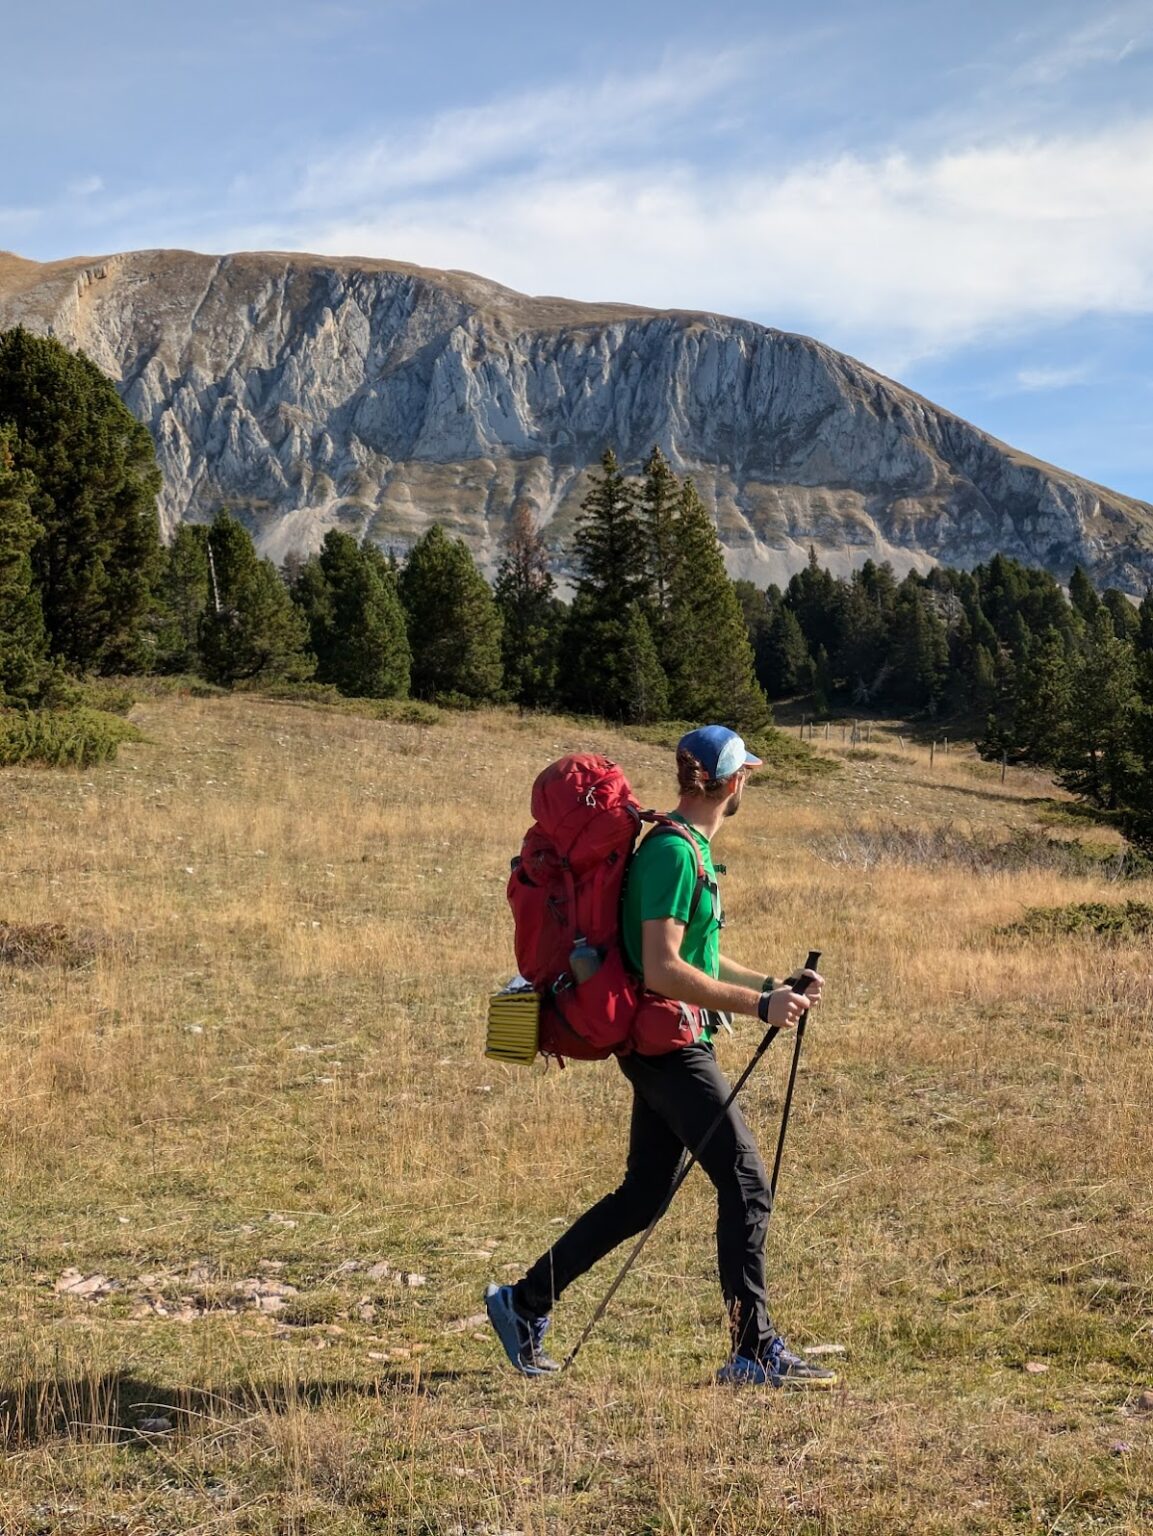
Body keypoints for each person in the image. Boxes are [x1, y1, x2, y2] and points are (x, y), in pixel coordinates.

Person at [485, 724, 835, 1388]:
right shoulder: (674, 854)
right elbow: (662, 968)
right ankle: (754, 1351)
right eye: (747, 774)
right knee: (745, 1183)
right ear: (733, 782)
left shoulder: (682, 846)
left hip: (657, 1040)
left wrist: (772, 986)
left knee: (643, 1195)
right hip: (666, 1046)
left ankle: (523, 1303)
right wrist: (758, 1007)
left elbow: (697, 957)